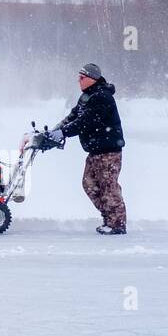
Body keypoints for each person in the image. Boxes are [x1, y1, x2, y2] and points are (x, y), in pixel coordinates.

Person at [48, 62, 127, 234]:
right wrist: (54, 131)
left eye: (82, 78)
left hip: (108, 152)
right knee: (89, 184)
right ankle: (109, 217)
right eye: (79, 77)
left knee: (109, 187)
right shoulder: (86, 97)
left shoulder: (101, 97)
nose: (79, 81)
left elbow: (85, 122)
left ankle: (117, 224)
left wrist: (63, 133)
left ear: (91, 79)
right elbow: (73, 116)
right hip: (95, 151)